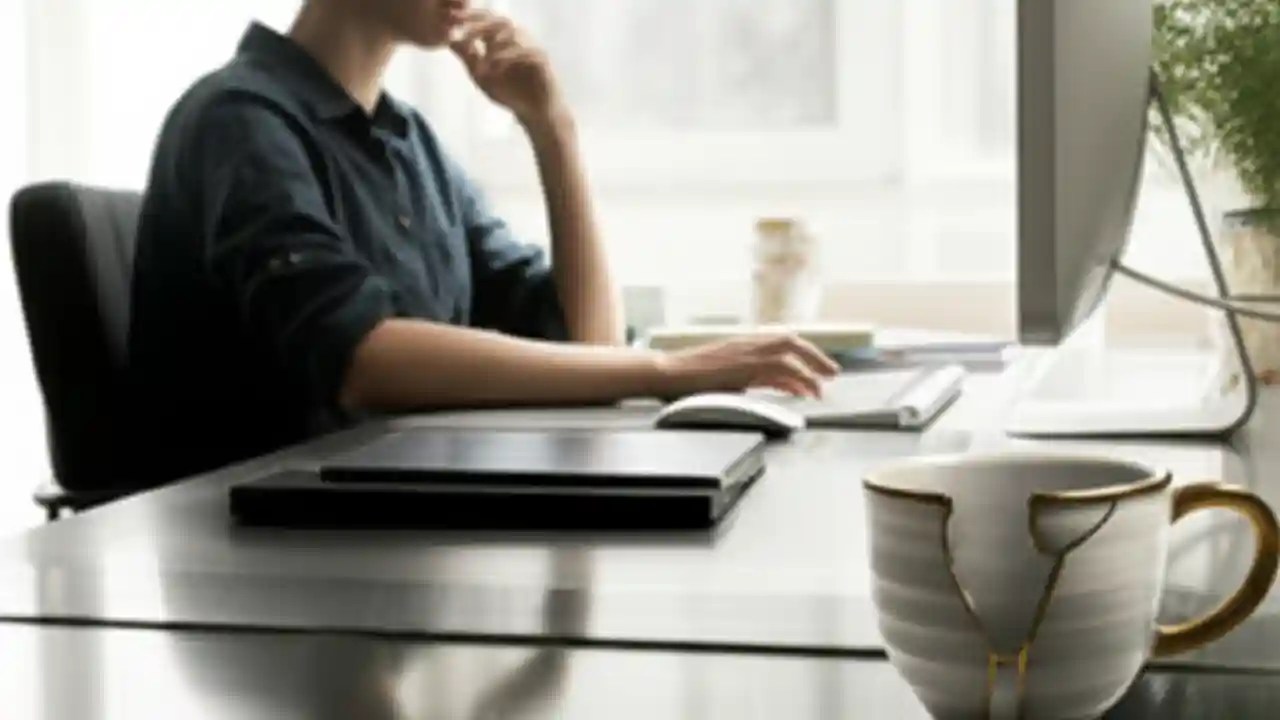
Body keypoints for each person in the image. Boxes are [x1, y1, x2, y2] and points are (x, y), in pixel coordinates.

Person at [127, 0, 839, 485]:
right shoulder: (238, 121)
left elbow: (586, 347)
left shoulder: (411, 145)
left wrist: (552, 131)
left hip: (388, 525)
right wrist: (663, 371)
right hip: (259, 567)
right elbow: (360, 358)